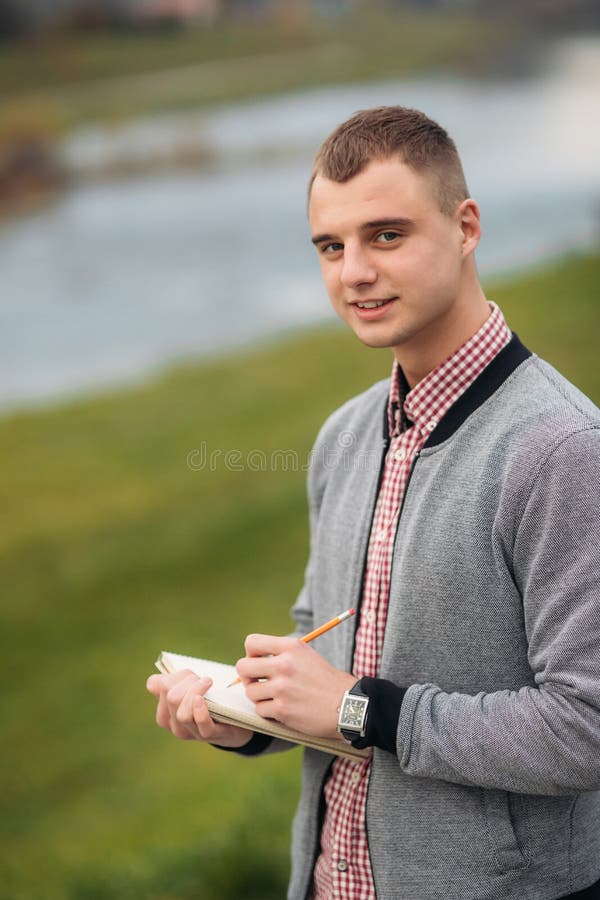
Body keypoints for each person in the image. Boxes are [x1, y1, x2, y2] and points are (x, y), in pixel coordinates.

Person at [147, 106, 600, 900]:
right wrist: (244, 717)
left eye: (386, 235)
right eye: (332, 245)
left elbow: (584, 728)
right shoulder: (343, 436)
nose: (353, 271)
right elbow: (322, 652)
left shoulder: (563, 450)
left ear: (465, 227)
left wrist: (364, 710)